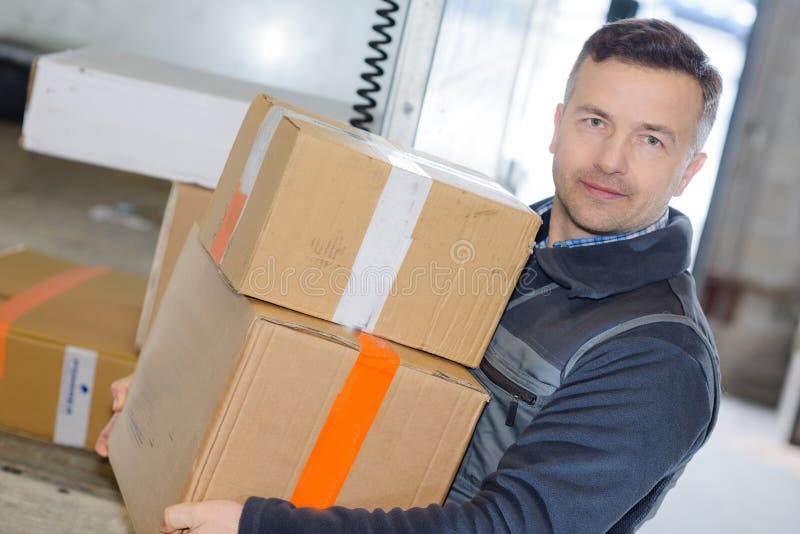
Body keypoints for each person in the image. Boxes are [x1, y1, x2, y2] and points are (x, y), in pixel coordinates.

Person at [98, 17, 722, 534]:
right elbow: (330, 349)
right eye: (595, 121)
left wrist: (264, 527)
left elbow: (509, 527)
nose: (610, 160)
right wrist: (180, 407)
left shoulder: (657, 357)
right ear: (557, 126)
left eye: (651, 140)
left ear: (689, 171)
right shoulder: (491, 244)